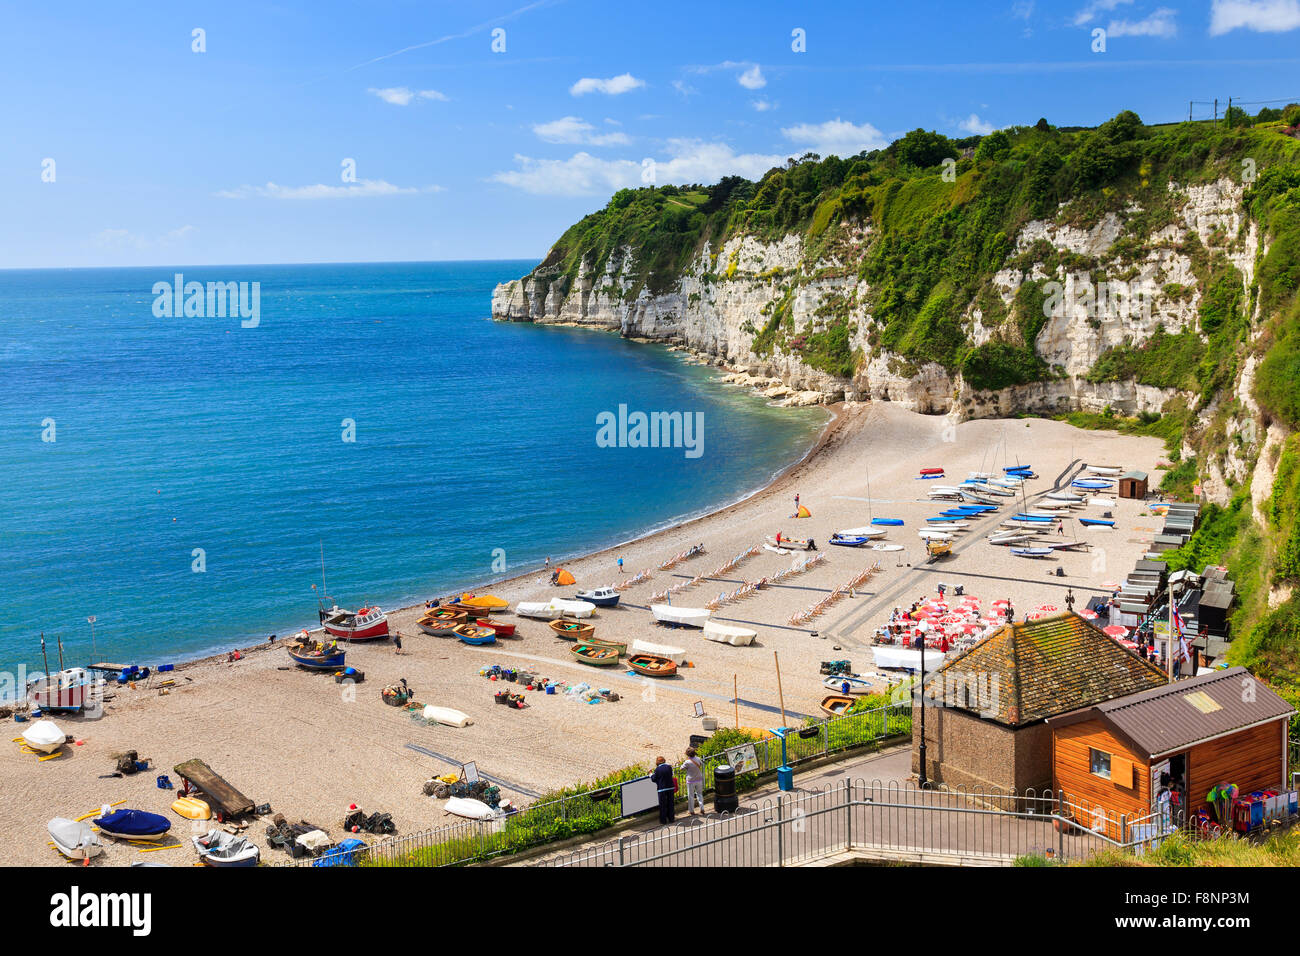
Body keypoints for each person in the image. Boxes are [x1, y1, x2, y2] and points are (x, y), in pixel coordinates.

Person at [651, 756, 676, 824]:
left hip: (662, 789)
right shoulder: (669, 767)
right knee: (670, 803)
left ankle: (663, 820)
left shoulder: (657, 769)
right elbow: (671, 775)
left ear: (657, 762)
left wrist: (650, 775)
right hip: (670, 787)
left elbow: (654, 779)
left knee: (663, 805)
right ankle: (671, 818)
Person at [681, 748, 705, 816]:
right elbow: (701, 764)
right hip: (699, 778)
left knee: (691, 796)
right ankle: (702, 808)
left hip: (691, 780)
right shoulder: (698, 758)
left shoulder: (687, 762)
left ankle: (691, 811)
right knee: (700, 794)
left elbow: (681, 768)